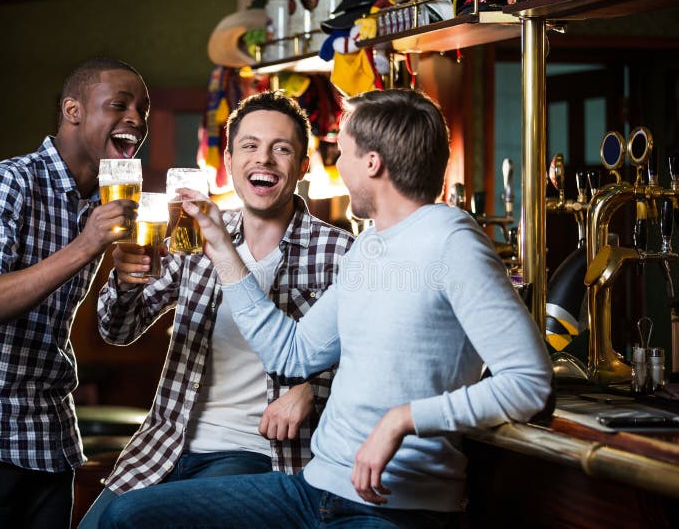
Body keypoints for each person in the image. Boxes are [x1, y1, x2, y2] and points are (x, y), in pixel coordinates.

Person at [99, 88, 553, 528]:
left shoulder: (453, 243)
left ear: (372, 163)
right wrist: (219, 244)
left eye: (345, 152)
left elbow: (530, 384)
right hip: (312, 491)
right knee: (125, 516)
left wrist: (403, 419)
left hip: (394, 505)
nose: (336, 164)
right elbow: (291, 355)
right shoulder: (371, 247)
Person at [79, 91, 353, 527]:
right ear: (229, 160)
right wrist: (125, 281)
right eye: (250, 146)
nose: (263, 159)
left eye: (281, 149)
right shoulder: (197, 230)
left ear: (303, 166)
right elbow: (118, 329)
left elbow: (377, 350)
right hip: (164, 445)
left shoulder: (340, 252)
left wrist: (312, 388)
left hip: (257, 456)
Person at [0, 57, 150, 529]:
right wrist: (85, 245)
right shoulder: (8, 181)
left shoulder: (105, 201)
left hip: (51, 438)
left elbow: (115, 331)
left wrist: (128, 283)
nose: (137, 121)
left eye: (142, 110)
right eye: (120, 106)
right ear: (73, 110)